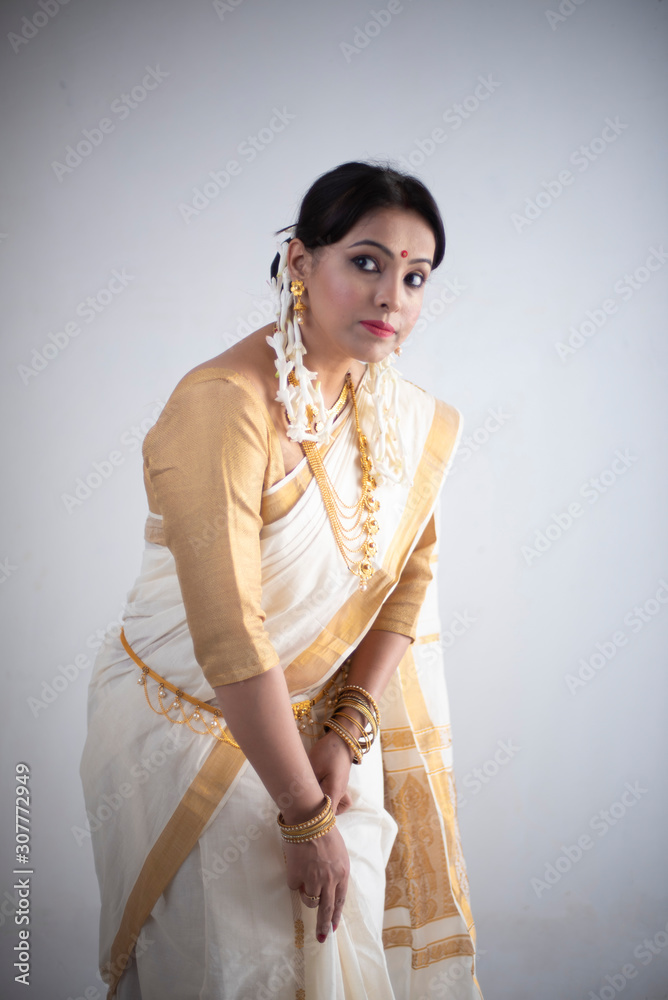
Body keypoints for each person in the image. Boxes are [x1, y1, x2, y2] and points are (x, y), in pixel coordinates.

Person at [80, 160, 484, 999]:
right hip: (191, 733)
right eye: (366, 262)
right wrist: (301, 818)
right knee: (232, 971)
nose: (392, 298)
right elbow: (229, 631)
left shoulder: (395, 409)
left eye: (416, 277)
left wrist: (348, 730)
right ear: (301, 263)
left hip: (328, 740)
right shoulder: (223, 405)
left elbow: (413, 571)